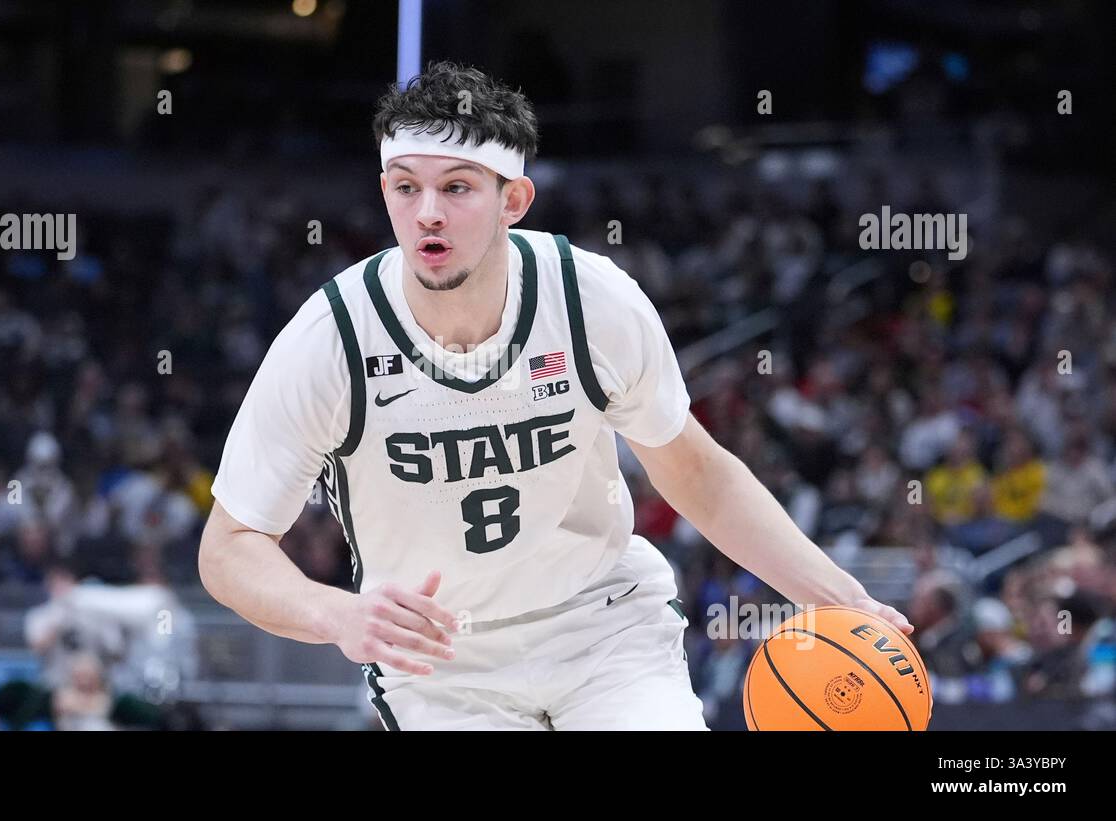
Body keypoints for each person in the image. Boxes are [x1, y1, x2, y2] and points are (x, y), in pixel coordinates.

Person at [199, 61, 910, 731]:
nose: (427, 214)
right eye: (404, 186)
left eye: (457, 187)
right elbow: (229, 546)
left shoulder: (590, 300)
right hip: (441, 662)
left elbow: (696, 471)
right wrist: (333, 613)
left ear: (514, 199)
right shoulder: (330, 339)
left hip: (600, 624)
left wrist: (836, 593)